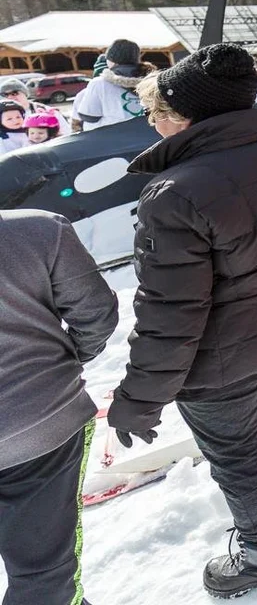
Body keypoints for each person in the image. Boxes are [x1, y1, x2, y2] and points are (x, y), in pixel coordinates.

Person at [108, 43, 257, 598]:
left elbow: (170, 313)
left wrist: (141, 396)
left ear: (188, 119)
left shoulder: (175, 194)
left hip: (218, 361)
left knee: (240, 453)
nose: (152, 124)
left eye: (157, 114)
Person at [0, 210, 117, 605]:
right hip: (38, 424)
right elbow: (96, 314)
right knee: (43, 576)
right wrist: (58, 368)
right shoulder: (38, 228)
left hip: (37, 429)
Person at [71, 39, 151, 133]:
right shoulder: (151, 82)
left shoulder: (99, 83)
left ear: (111, 60)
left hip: (112, 141)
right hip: (147, 138)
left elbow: (89, 116)